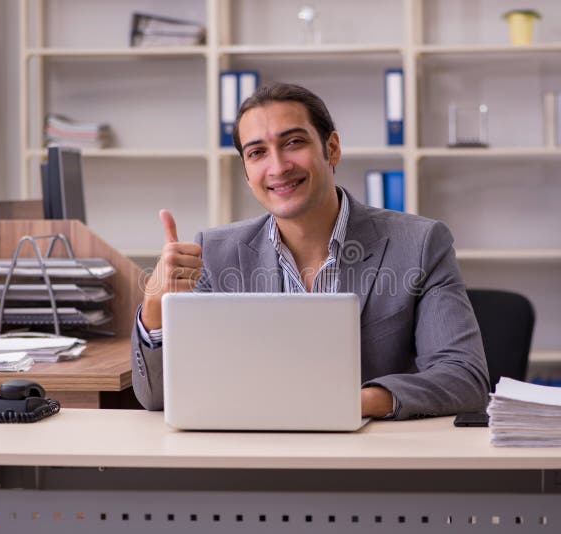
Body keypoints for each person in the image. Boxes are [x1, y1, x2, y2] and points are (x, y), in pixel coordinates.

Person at [131, 82, 490, 419]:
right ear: (246, 171)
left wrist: (348, 402)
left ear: (331, 148)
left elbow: (464, 378)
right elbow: (160, 398)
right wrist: (154, 308)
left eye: (293, 143)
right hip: (253, 459)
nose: (278, 166)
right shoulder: (216, 253)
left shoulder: (420, 244)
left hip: (373, 458)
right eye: (257, 153)